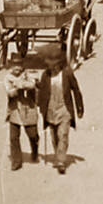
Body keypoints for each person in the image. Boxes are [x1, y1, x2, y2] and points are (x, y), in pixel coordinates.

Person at [37, 45, 84, 174]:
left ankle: (61, 160)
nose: (52, 67)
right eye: (50, 65)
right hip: (50, 110)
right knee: (54, 137)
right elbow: (41, 92)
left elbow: (76, 89)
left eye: (55, 65)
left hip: (64, 109)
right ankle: (58, 155)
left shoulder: (67, 73)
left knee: (62, 134)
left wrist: (80, 107)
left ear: (59, 64)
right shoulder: (45, 75)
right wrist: (41, 108)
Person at [4, 62, 41, 170]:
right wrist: (18, 87)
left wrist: (22, 84)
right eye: (14, 65)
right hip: (14, 110)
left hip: (28, 109)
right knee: (13, 137)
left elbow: (33, 84)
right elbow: (10, 92)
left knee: (32, 135)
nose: (16, 68)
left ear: (22, 66)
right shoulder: (7, 78)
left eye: (18, 65)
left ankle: (35, 149)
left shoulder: (29, 74)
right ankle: (16, 162)